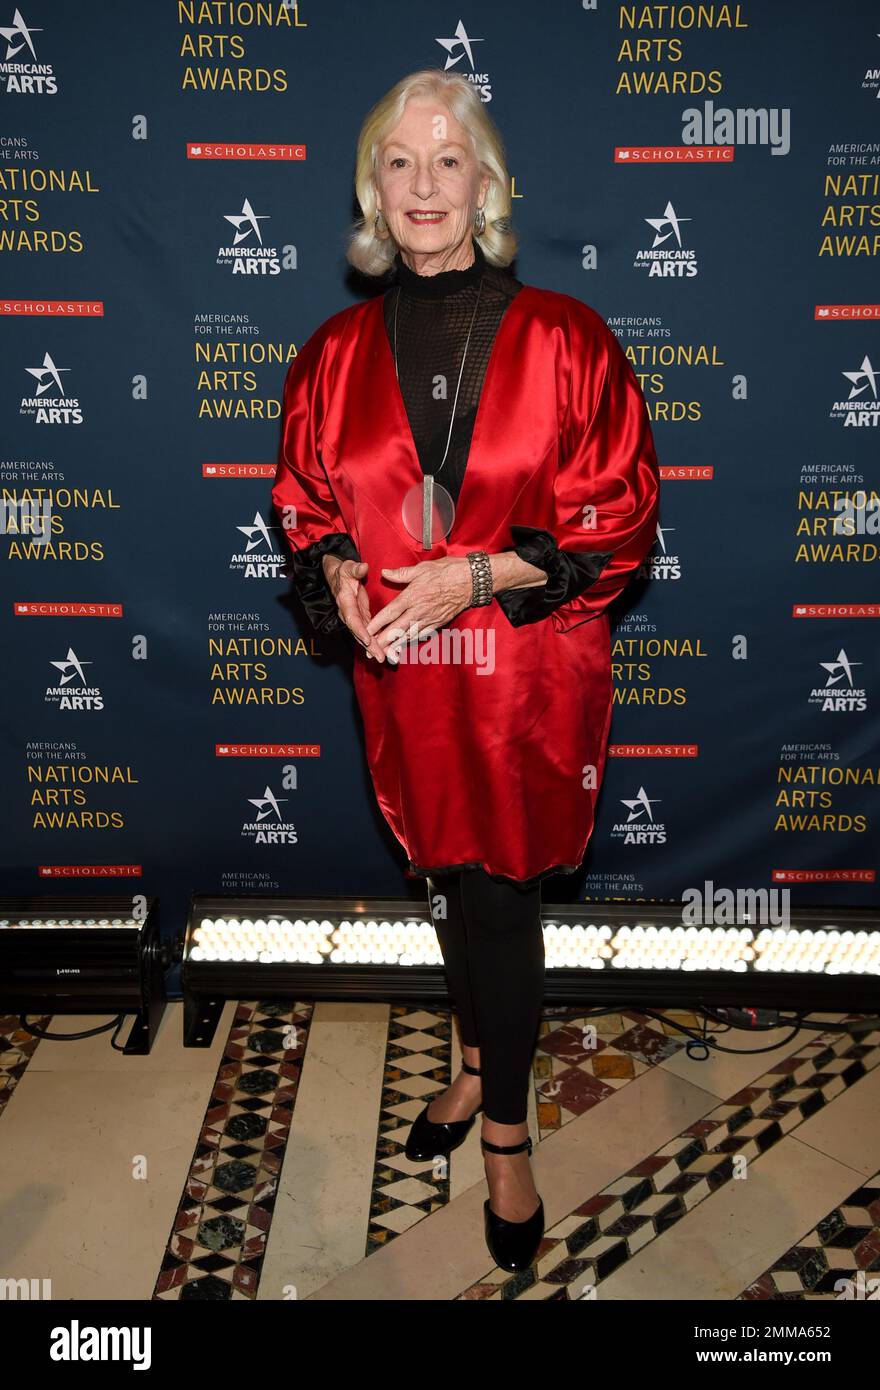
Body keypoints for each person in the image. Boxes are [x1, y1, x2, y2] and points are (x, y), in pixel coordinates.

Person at [271, 68, 661, 1272]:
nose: (423, 184)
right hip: (404, 678)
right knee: (443, 879)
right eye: (400, 161)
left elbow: (618, 519)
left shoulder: (567, 338)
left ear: (485, 185)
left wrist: (480, 576)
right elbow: (306, 502)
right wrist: (333, 571)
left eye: (449, 160)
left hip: (524, 679)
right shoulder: (331, 352)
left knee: (496, 899)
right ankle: (480, 1059)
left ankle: (503, 1135)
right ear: (372, 192)